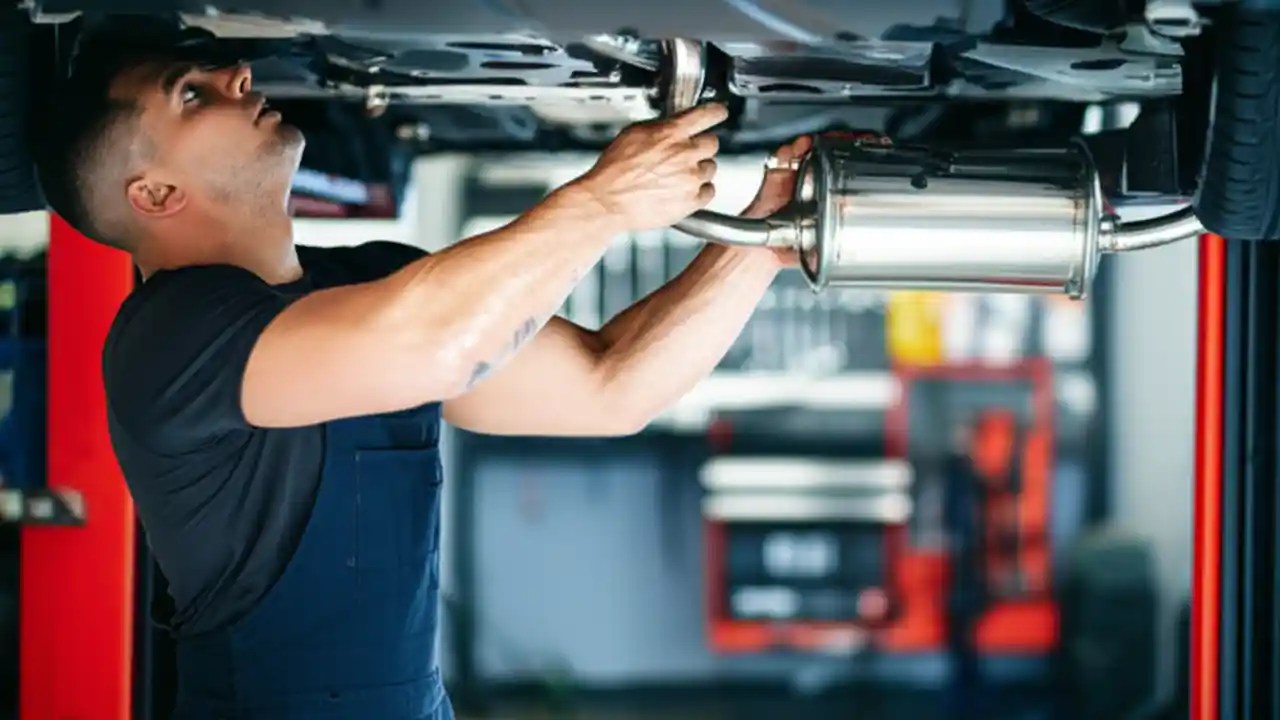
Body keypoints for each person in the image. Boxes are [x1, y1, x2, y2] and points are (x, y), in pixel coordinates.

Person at [31, 24, 813, 720]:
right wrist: (603, 202)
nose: (238, 74)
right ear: (156, 193)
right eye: (192, 95)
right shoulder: (170, 338)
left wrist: (766, 238)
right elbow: (437, 340)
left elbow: (612, 386)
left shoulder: (375, 289)